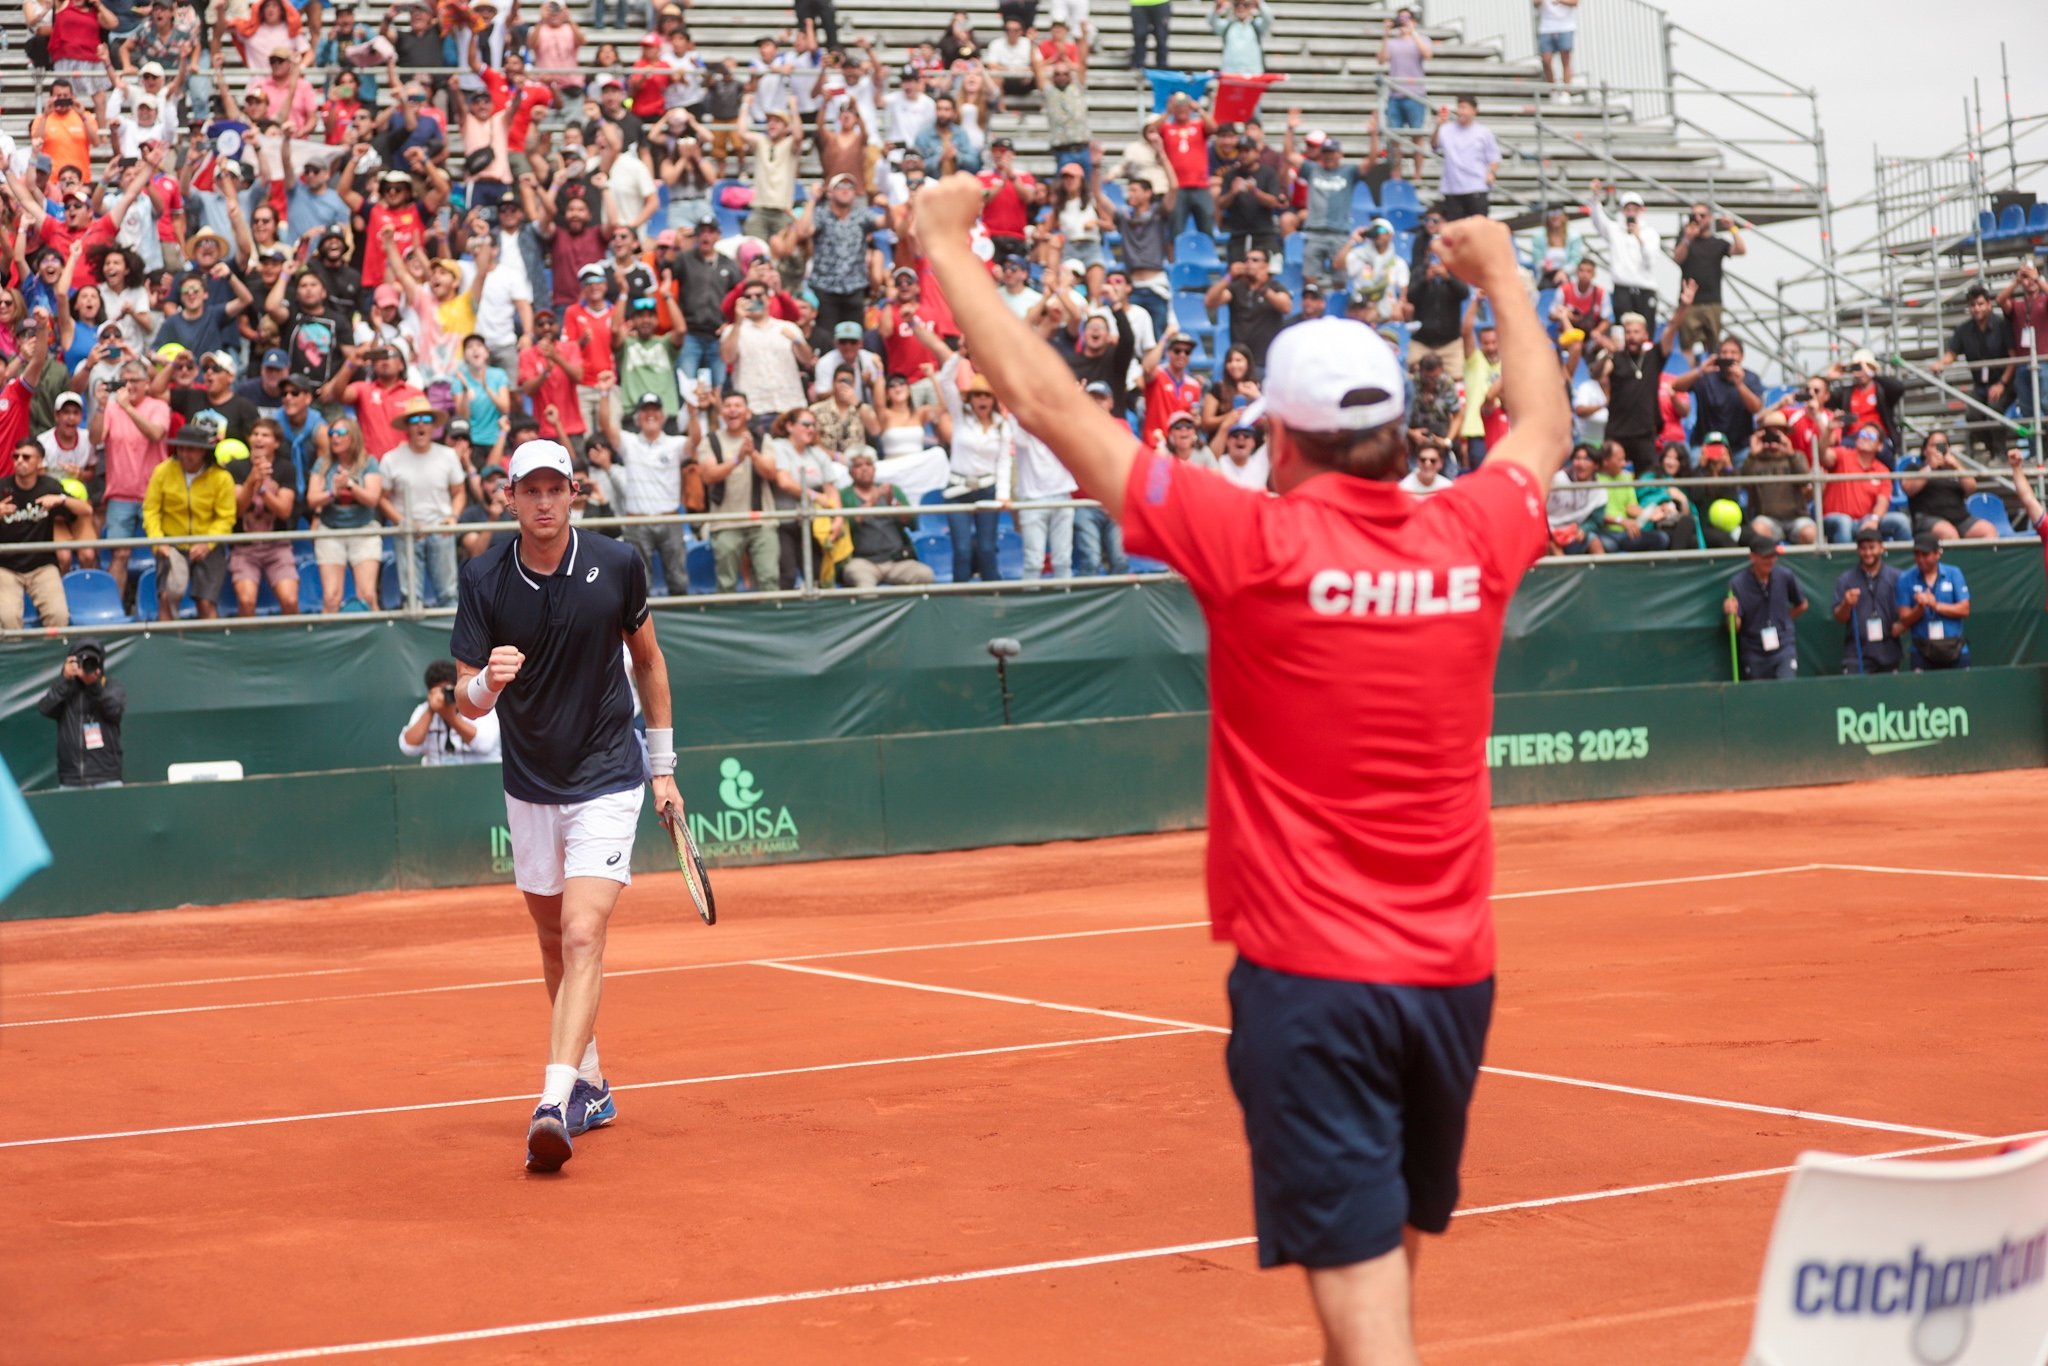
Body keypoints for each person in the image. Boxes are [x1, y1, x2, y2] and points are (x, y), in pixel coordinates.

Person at [916, 174, 1570, 1366]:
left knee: (1371, 1330)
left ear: (1278, 437)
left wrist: (946, 242)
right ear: (1396, 432)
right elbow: (1540, 431)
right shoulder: (1472, 535)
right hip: (1452, 982)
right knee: (1377, 1285)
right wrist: (1502, 277)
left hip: (1313, 989)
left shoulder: (1253, 543)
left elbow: (1047, 401)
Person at [450, 438, 682, 1173]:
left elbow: (648, 661)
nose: (544, 501)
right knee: (552, 938)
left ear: (574, 494)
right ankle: (591, 1084)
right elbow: (465, 698)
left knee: (583, 933)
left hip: (608, 775)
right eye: (531, 490)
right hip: (530, 784)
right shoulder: (483, 577)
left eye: (556, 488)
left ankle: (552, 1104)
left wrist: (663, 770)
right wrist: (487, 682)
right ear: (510, 497)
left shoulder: (618, 563)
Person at [378, 396, 468, 608]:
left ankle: (452, 630)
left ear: (433, 426)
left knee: (448, 593)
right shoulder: (391, 459)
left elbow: (459, 492)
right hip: (408, 532)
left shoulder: (448, 456)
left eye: (426, 419)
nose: (420, 424)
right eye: (414, 419)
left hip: (441, 529)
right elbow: (382, 498)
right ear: (407, 427)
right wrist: (402, 521)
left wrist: (453, 517)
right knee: (410, 597)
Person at [142, 420, 234, 619]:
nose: (185, 454)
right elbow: (150, 510)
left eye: (191, 449)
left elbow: (226, 517)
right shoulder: (162, 471)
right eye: (181, 448)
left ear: (204, 452)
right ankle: (167, 639)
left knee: (206, 602)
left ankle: (210, 639)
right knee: (166, 597)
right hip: (171, 542)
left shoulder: (222, 478)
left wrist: (207, 543)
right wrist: (158, 542)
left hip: (208, 543)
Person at [696, 389, 782, 591]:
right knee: (726, 583)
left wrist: (753, 454)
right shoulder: (711, 440)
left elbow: (771, 473)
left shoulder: (761, 440)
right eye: (727, 406)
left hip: (761, 521)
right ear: (721, 413)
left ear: (748, 412)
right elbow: (708, 476)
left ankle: (771, 612)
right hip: (725, 522)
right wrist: (737, 459)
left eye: (738, 405)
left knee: (769, 578)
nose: (732, 410)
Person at [1, 441, 91, 628]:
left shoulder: (49, 486)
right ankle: (14, 649)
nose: (19, 461)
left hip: (42, 565)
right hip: (6, 566)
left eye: (26, 457)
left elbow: (86, 510)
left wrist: (61, 500)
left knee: (59, 616)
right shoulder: (2, 487)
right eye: (16, 456)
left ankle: (53, 648)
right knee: (8, 620)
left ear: (40, 462)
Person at [305, 418, 384, 614]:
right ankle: (329, 635)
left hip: (363, 530)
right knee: (331, 598)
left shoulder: (369, 463)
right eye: (331, 434)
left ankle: (377, 633)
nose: (335, 438)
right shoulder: (322, 464)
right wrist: (332, 493)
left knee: (367, 596)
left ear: (353, 436)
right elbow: (312, 499)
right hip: (331, 531)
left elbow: (373, 499)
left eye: (340, 433)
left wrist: (350, 485)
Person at [1935, 285, 2015, 458]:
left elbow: (2013, 357)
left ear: (1988, 304)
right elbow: (1952, 353)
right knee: (1972, 416)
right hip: (1980, 385)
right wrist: (1941, 363)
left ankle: (2000, 454)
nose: (1976, 308)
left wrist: (2002, 384)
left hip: (2005, 382)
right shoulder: (1964, 329)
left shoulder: (2002, 325)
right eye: (1972, 305)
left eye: (1980, 304)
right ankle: (1992, 450)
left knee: (1994, 408)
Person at [840, 449, 937, 588]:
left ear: (874, 468)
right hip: (863, 562)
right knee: (863, 585)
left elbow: (911, 522)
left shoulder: (892, 490)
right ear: (850, 472)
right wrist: (873, 500)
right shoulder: (844, 495)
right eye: (858, 466)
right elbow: (847, 525)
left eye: (868, 464)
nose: (864, 469)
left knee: (925, 575)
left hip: (897, 560)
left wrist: (892, 501)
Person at [39, 638, 126, 788]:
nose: (88, 666)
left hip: (106, 776)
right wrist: (64, 679)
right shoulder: (66, 689)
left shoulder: (111, 687)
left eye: (92, 662)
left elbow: (114, 712)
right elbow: (45, 708)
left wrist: (94, 686)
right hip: (71, 778)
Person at [1723, 536, 1806, 680]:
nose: (1770, 560)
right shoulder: (1738, 583)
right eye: (1766, 557)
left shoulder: (1785, 576)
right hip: (1754, 651)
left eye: (1773, 556)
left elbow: (1802, 604)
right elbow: (1734, 628)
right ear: (1753, 557)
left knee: (1787, 686)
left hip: (1783, 646)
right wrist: (1732, 613)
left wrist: (1784, 620)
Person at [1587, 180, 1661, 333]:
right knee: (1623, 332)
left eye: (1635, 209)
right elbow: (1598, 220)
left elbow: (1651, 261)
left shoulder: (1650, 233)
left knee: (1647, 332)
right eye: (1628, 209)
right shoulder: (1614, 230)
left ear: (1642, 210)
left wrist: (1639, 237)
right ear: (1622, 210)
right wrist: (1595, 197)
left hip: (1645, 289)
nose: (1631, 213)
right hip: (1623, 289)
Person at [1820, 423, 1911, 545]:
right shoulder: (1842, 455)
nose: (1866, 438)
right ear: (1857, 439)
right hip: (1834, 520)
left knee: (1901, 521)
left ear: (1880, 446)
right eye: (1863, 434)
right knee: (1844, 522)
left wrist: (1874, 519)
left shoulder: (1882, 470)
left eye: (1871, 436)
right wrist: (1829, 429)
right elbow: (1822, 454)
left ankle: (1904, 558)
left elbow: (1882, 501)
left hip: (1865, 520)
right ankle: (1846, 558)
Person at [400, 659, 504, 765]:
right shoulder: (424, 710)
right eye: (440, 691)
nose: (445, 695)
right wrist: (431, 710)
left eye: (448, 690)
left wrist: (451, 717)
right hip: (439, 774)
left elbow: (485, 744)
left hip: (480, 773)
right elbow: (408, 748)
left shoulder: (479, 705)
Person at [1831, 524, 1903, 675]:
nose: (1868, 553)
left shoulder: (1896, 577)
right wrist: (1846, 604)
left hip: (1888, 651)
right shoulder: (1846, 579)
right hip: (1857, 653)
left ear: (1881, 548)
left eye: (1872, 547)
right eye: (1863, 548)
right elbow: (1839, 618)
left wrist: (1902, 624)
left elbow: (1907, 610)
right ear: (1858, 550)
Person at [1900, 429, 1996, 541]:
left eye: (1943, 445)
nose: (1939, 449)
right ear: (1925, 451)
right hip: (1929, 518)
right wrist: (1930, 468)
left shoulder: (1955, 470)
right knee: (1949, 533)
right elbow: (1908, 489)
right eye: (1934, 446)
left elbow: (1971, 488)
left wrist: (1957, 466)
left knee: (1988, 530)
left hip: (1960, 518)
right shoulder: (1915, 468)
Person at [1672, 203, 1744, 352]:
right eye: (1694, 215)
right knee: (1686, 346)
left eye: (1702, 215)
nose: (1698, 218)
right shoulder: (1685, 240)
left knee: (1713, 347)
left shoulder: (1718, 243)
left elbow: (1741, 250)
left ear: (1710, 218)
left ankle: (1709, 367)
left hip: (1713, 302)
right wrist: (1687, 239)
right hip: (1689, 302)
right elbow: (1677, 258)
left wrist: (1732, 228)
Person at [1895, 531, 1970, 672]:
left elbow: (1964, 609)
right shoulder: (1905, 579)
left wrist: (1935, 605)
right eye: (1917, 555)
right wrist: (1920, 608)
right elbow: (1904, 619)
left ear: (1937, 554)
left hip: (1954, 647)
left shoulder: (1954, 573)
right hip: (1922, 650)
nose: (1920, 559)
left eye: (1925, 555)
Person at [1430, 96, 1498, 221]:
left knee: (1478, 226)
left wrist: (1491, 173)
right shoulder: (1446, 129)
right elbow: (1434, 145)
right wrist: (1438, 126)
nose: (1460, 111)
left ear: (1474, 111)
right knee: (1455, 228)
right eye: (1459, 107)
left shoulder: (1484, 132)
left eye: (1464, 107)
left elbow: (1493, 157)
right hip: (1452, 188)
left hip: (1476, 186)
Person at [1534, 0, 1578, 99]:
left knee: (1566, 60)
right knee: (1546, 60)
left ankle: (1566, 93)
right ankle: (1552, 91)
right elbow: (1535, 4)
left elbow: (1575, 3)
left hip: (1565, 26)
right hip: (1546, 27)